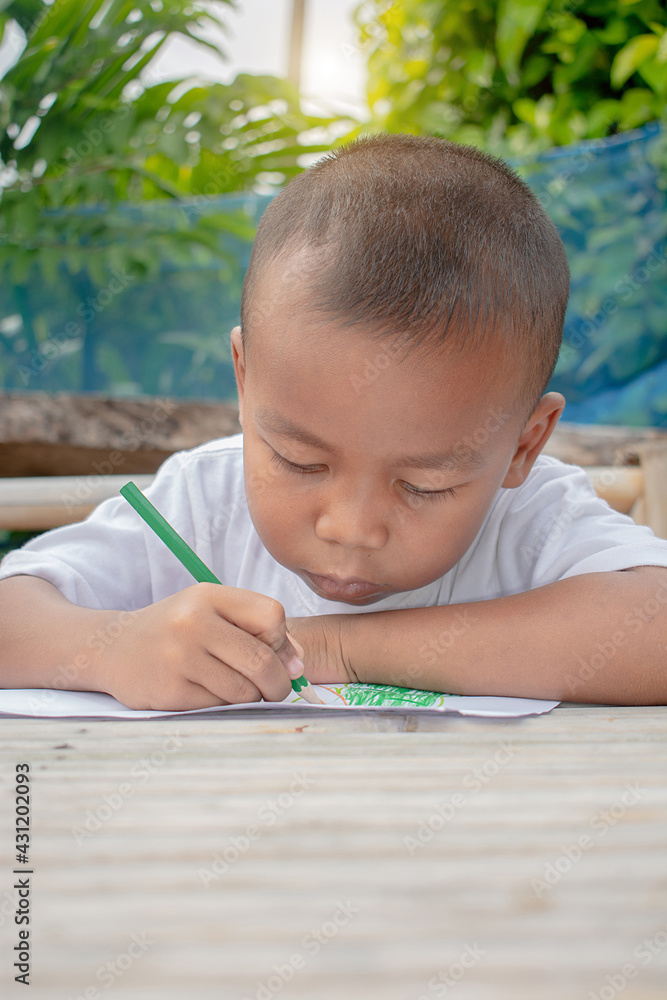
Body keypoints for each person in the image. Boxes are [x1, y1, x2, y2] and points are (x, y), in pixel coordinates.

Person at [1, 133, 666, 709]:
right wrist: (111, 648)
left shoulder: (531, 521)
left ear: (523, 446)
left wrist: (337, 649)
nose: (350, 528)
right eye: (298, 461)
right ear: (242, 376)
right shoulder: (202, 504)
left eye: (424, 486)